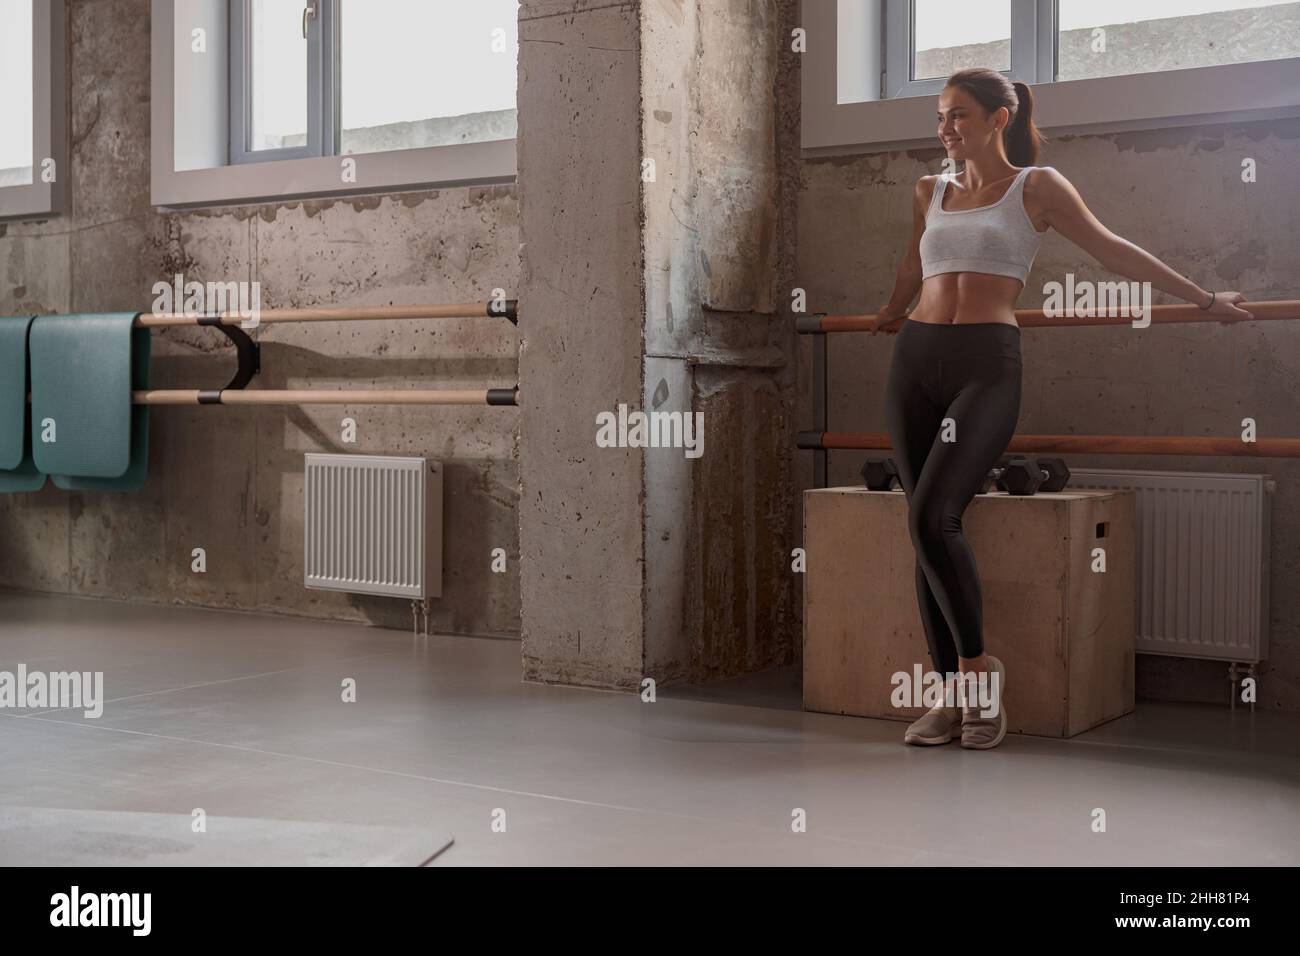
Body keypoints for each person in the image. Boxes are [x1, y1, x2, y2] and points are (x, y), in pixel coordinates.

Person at [868, 67, 1253, 749]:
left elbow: (1112, 250)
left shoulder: (1035, 187)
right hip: (915, 363)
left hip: (984, 365)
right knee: (919, 528)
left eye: (957, 114)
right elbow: (910, 265)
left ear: (999, 116)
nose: (945, 128)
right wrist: (888, 313)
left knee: (937, 515)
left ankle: (980, 680)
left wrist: (1203, 299)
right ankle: (954, 697)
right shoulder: (929, 190)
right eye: (939, 117)